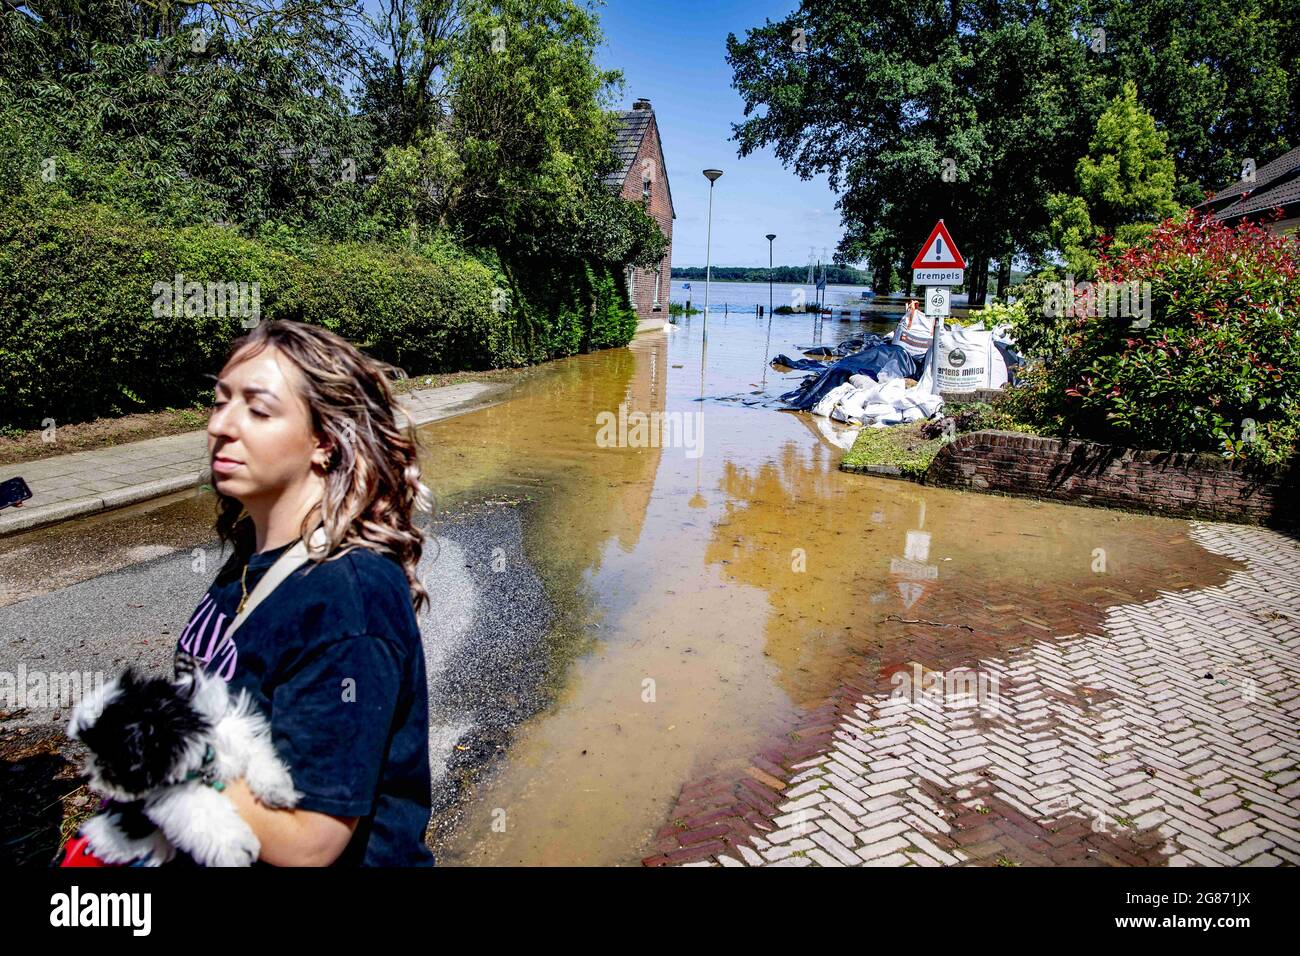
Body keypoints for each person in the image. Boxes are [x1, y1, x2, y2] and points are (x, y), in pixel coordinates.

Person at [172, 319, 435, 866]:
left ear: (323, 441)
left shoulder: (347, 596)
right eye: (219, 402)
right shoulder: (255, 560)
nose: (222, 425)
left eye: (257, 409)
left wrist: (161, 757)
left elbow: (310, 840)